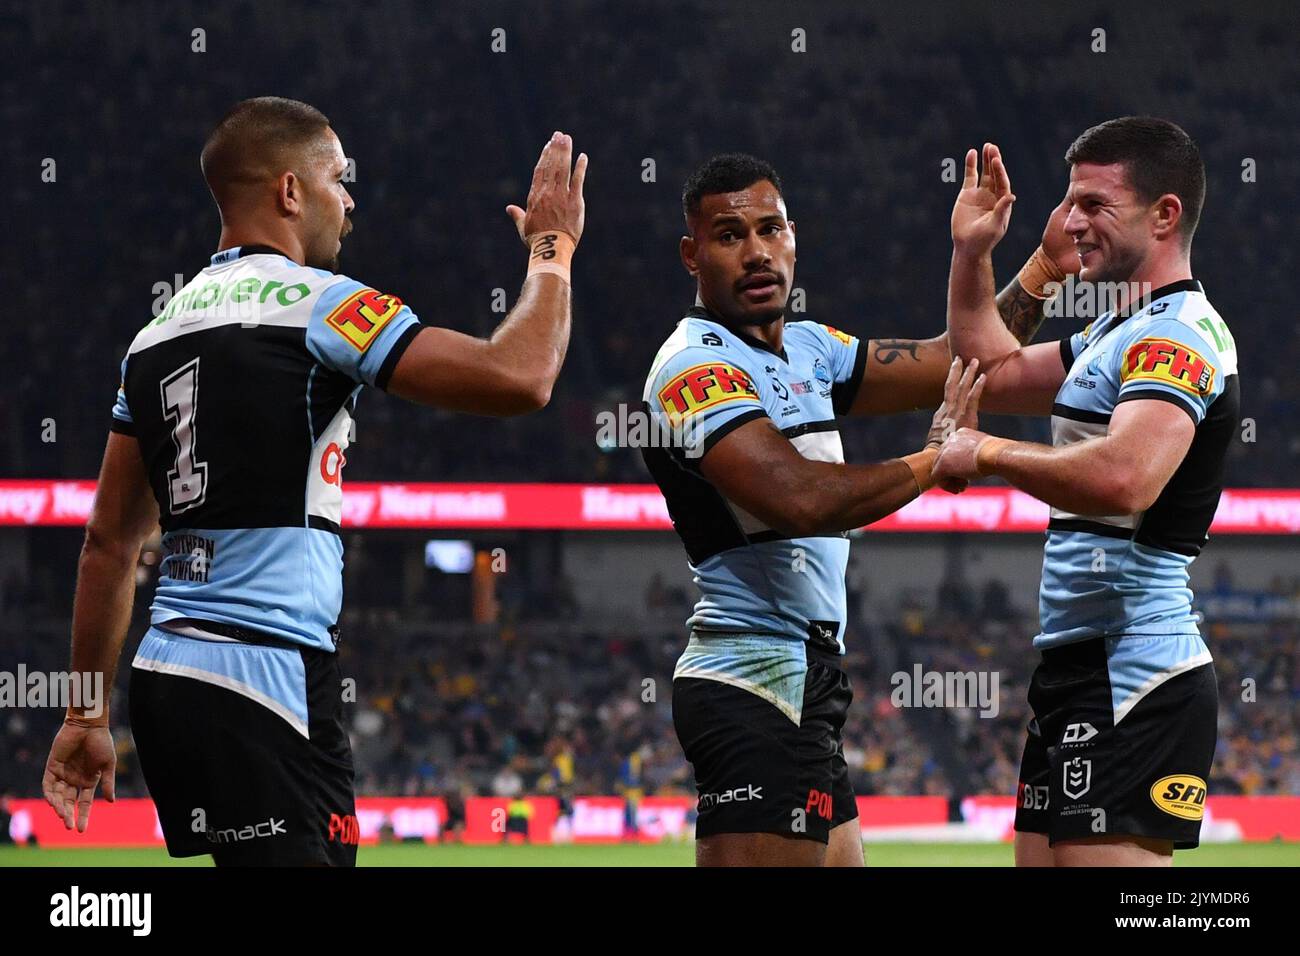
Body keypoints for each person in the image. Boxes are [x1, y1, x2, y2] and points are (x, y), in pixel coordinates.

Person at [41, 96, 587, 866]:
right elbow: (521, 376)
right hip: (265, 673)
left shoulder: (152, 338)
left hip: (168, 676)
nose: (351, 199)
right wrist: (552, 249)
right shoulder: (323, 304)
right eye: (339, 178)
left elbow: (108, 543)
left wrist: (85, 715)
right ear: (289, 192)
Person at [641, 153, 1077, 866]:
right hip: (751, 679)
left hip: (805, 676)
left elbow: (955, 363)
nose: (756, 253)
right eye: (728, 236)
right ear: (692, 254)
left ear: (793, 237)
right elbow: (800, 499)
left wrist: (1037, 267)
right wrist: (932, 462)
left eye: (769, 229)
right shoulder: (694, 368)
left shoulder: (811, 346)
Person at [936, 119, 1237, 866]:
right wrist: (976, 253)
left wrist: (987, 453)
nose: (1072, 221)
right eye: (1069, 203)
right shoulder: (1113, 329)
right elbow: (986, 369)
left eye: (1095, 204)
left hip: (1135, 668)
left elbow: (1125, 478)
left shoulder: (1179, 335)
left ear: (1165, 215)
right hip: (1075, 664)